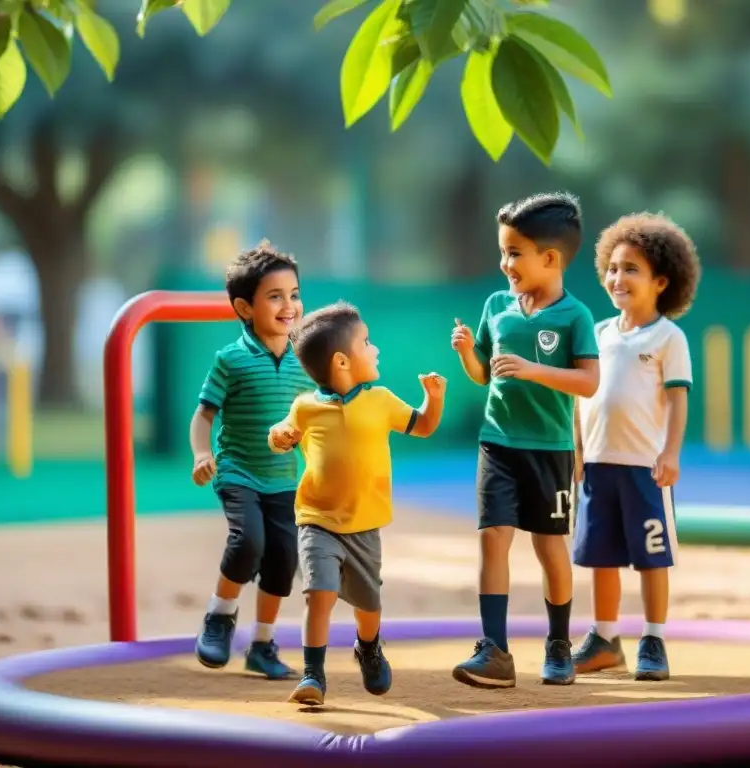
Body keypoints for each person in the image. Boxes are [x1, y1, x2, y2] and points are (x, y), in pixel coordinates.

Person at [450, 192, 600, 688]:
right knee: (493, 538)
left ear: (550, 258)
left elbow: (589, 382)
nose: (504, 262)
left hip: (550, 449)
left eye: (515, 252)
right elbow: (482, 376)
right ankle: (495, 650)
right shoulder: (496, 306)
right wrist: (467, 354)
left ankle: (559, 645)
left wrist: (535, 370)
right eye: (503, 251)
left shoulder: (574, 317)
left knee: (549, 547)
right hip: (497, 443)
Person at [267, 301, 446, 706]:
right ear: (343, 361)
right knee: (319, 592)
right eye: (367, 342)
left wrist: (432, 398)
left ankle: (368, 646)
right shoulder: (305, 407)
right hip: (317, 520)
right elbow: (285, 429)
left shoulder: (380, 400)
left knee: (368, 605)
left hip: (364, 526)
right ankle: (313, 674)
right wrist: (277, 433)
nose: (376, 348)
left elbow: (423, 425)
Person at [571, 212, 701, 681]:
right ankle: (605, 638)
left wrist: (670, 454)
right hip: (598, 466)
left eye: (632, 269)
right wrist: (578, 449)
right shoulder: (599, 334)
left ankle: (653, 639)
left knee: (651, 556)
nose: (618, 278)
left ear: (661, 281)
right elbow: (582, 396)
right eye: (613, 267)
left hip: (644, 468)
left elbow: (677, 400)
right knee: (599, 555)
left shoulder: (669, 338)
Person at [189, 241, 313, 680]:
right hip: (238, 470)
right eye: (275, 296)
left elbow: (316, 416)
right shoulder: (232, 358)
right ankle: (220, 615)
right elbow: (203, 415)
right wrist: (203, 453)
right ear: (245, 307)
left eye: (294, 294)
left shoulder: (305, 358)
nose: (289, 305)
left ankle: (262, 644)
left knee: (283, 559)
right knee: (248, 542)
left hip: (285, 478)